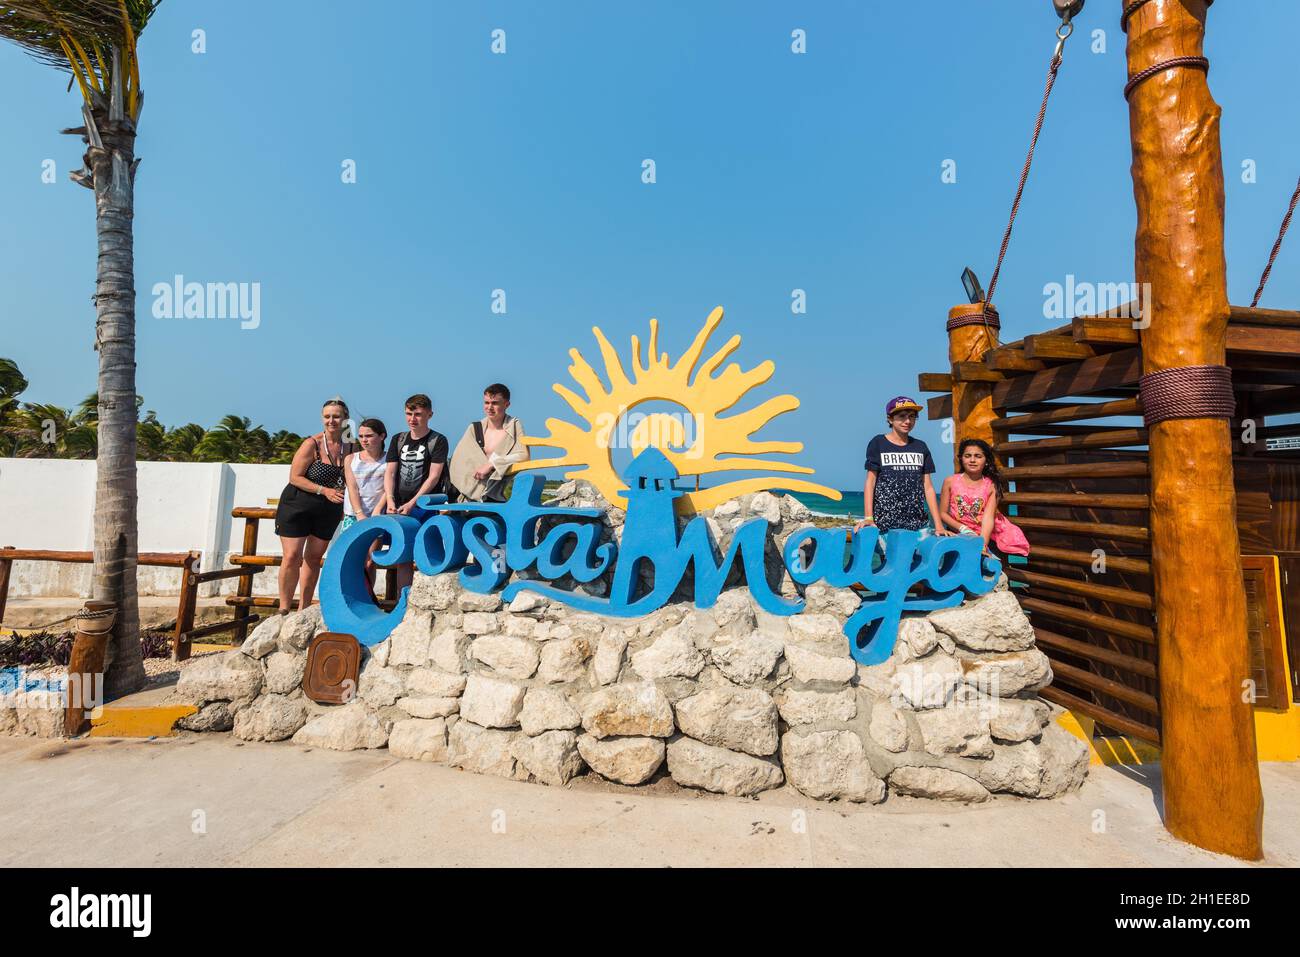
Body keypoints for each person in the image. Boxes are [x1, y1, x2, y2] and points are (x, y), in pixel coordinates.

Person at [274, 398, 357, 613]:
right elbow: (295, 477)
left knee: (313, 557)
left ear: (345, 419)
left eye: (336, 416)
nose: (332, 421)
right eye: (327, 416)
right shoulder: (312, 444)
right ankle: (283, 609)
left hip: (329, 509)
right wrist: (324, 490)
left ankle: (304, 608)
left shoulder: (351, 447)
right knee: (292, 556)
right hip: (298, 505)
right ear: (322, 418)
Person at [853, 396, 951, 538]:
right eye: (902, 416)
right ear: (890, 419)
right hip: (885, 526)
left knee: (920, 560)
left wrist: (938, 525)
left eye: (912, 417)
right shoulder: (878, 443)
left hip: (918, 526)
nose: (907, 421)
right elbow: (870, 481)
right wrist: (868, 518)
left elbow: (928, 487)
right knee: (890, 561)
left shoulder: (921, 447)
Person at [384, 394, 448, 588]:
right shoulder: (398, 439)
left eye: (418, 414)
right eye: (409, 414)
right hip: (398, 505)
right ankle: (401, 602)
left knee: (427, 553)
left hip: (425, 506)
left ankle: (424, 599)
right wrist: (390, 500)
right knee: (402, 555)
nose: (413, 419)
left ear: (430, 414)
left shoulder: (438, 440)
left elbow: (434, 476)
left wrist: (413, 503)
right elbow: (390, 472)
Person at [939, 437, 1030, 558]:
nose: (972, 460)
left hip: (985, 535)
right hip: (958, 532)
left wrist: (983, 544)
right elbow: (943, 513)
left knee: (990, 566)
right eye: (967, 456)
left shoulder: (991, 486)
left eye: (978, 456)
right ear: (961, 459)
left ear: (986, 460)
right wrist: (963, 529)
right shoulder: (950, 481)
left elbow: (988, 519)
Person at [449, 383, 530, 502]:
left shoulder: (514, 426)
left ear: (507, 404)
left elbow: (524, 456)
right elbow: (458, 463)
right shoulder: (475, 428)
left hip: (494, 495)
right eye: (486, 402)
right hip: (467, 496)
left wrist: (491, 464)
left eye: (495, 403)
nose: (489, 407)